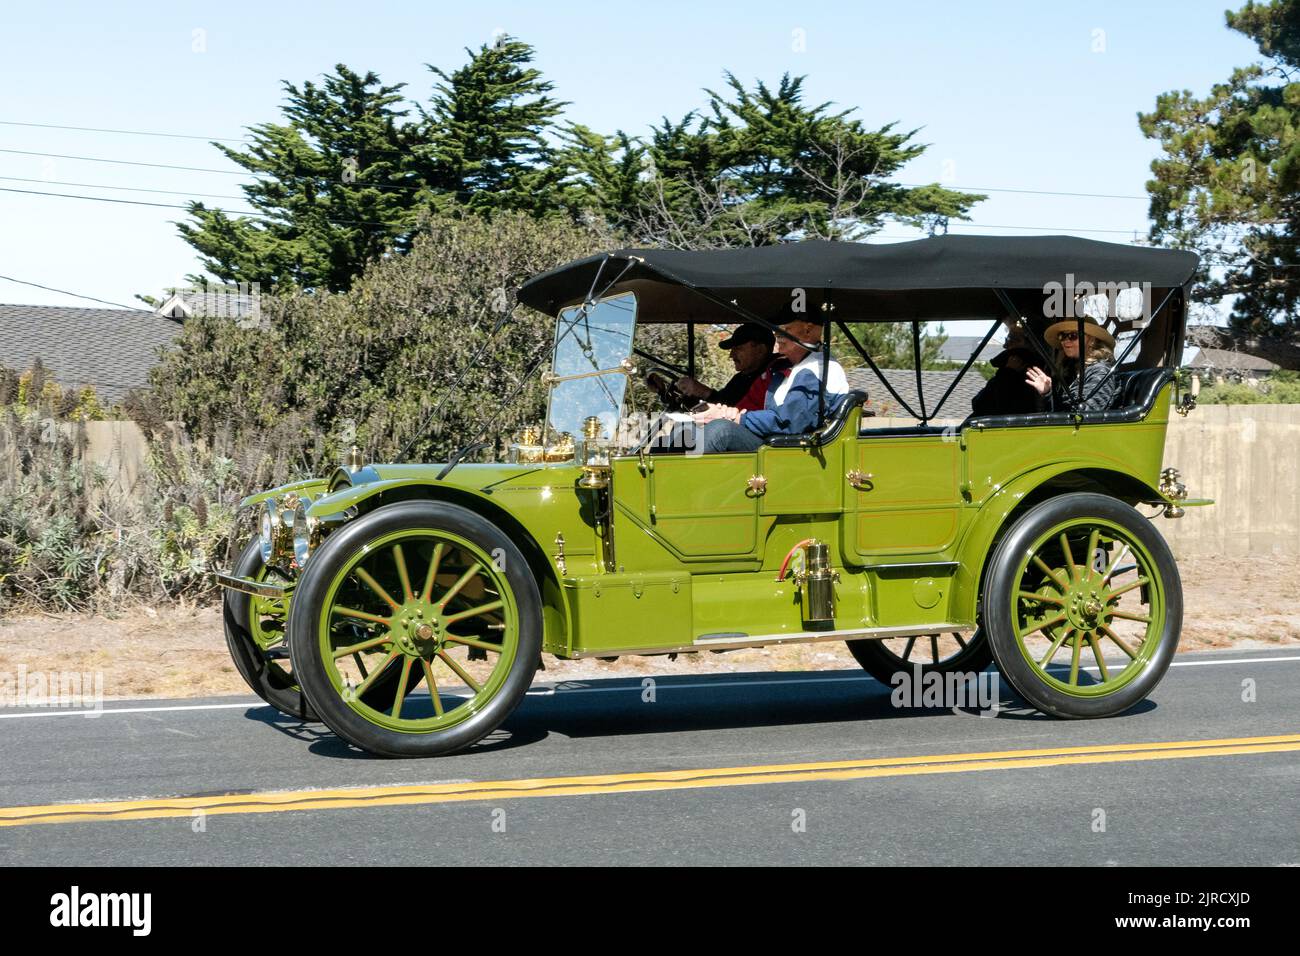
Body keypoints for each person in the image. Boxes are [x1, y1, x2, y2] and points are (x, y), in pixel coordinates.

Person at [691, 311, 849, 453]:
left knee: (720, 431)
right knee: (686, 431)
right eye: (778, 330)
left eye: (785, 330)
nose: (777, 335)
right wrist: (731, 413)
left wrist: (737, 418)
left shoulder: (816, 369)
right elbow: (755, 407)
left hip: (791, 449)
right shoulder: (785, 367)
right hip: (776, 441)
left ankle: (683, 483)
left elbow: (789, 422)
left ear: (807, 331)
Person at [674, 323, 787, 412]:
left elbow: (735, 411)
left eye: (738, 348)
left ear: (760, 350)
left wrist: (704, 392)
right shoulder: (740, 378)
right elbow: (723, 402)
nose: (731, 355)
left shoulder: (773, 375)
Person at [1027, 315, 1118, 412]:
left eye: (1073, 336)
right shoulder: (1070, 371)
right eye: (1062, 336)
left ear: (1092, 340)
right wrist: (1048, 392)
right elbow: (1060, 413)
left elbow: (1088, 414)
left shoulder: (1100, 371)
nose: (1066, 341)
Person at [970, 325, 1050, 417]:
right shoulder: (1011, 371)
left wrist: (1007, 373)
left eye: (1010, 340)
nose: (1005, 345)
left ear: (1023, 342)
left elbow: (981, 404)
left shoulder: (1012, 374)